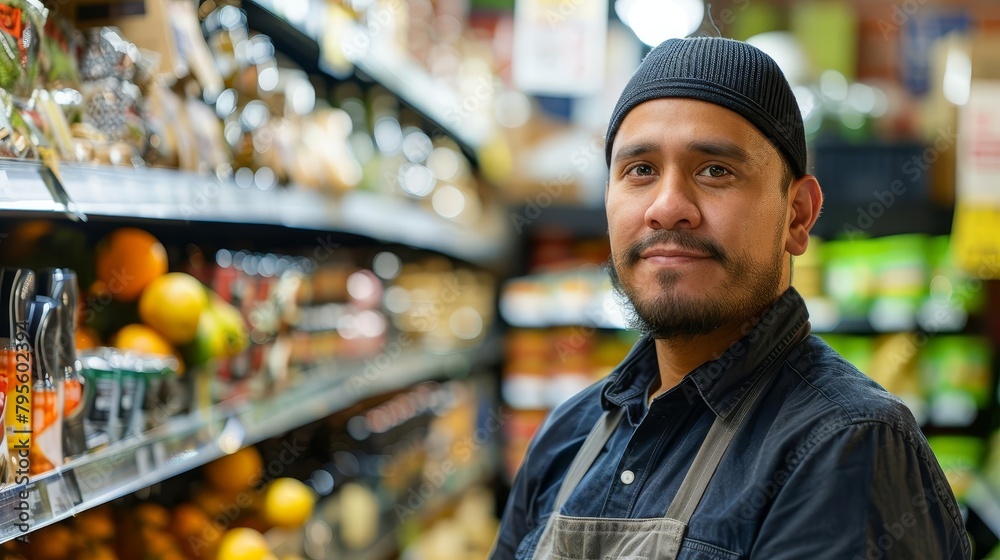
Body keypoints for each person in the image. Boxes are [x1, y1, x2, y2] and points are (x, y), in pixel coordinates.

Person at [490, 36, 970, 560]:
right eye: (640, 170)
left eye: (715, 170)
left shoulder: (847, 447)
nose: (668, 207)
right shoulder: (567, 436)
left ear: (798, 215)